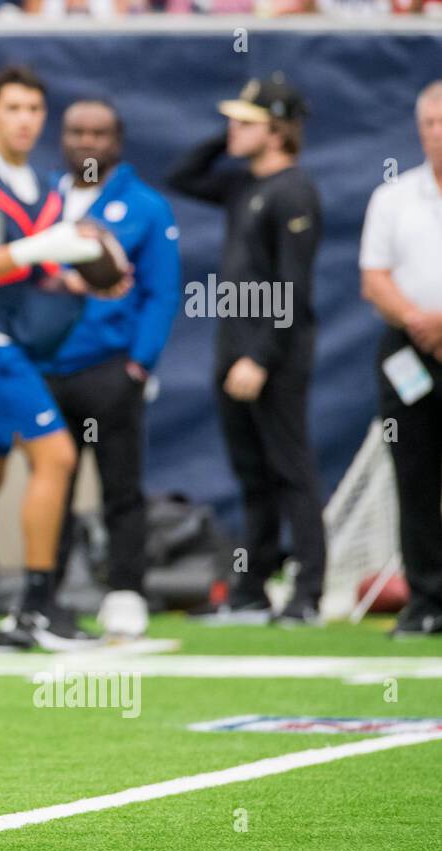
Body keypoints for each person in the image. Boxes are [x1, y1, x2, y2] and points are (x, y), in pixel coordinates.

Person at [0, 65, 109, 653]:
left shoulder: (42, 183)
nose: (26, 119)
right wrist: (40, 247)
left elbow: (36, 270)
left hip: (4, 341)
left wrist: (81, 280)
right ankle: (36, 606)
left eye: (34, 109)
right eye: (13, 108)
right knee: (56, 457)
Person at [168, 75, 326, 626]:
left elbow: (294, 287)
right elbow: (182, 175)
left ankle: (307, 594)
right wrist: (231, 131)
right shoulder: (243, 186)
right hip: (232, 350)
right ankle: (253, 589)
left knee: (291, 470)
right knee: (252, 475)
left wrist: (260, 357)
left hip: (272, 358)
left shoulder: (294, 191)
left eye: (247, 121)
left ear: (277, 129)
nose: (233, 129)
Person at [38, 98, 181, 639]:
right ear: (64, 137)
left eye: (99, 133)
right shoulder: (42, 199)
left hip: (110, 370)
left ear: (117, 140)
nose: (88, 142)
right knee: (51, 486)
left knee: (121, 487)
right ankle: (43, 591)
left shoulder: (145, 206)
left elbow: (162, 292)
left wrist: (138, 365)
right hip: (48, 368)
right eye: (77, 131)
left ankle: (125, 591)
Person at [359, 79, 442, 638]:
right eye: (431, 123)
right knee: (414, 477)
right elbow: (374, 278)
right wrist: (420, 321)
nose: (438, 133)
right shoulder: (394, 196)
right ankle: (428, 600)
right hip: (410, 353)